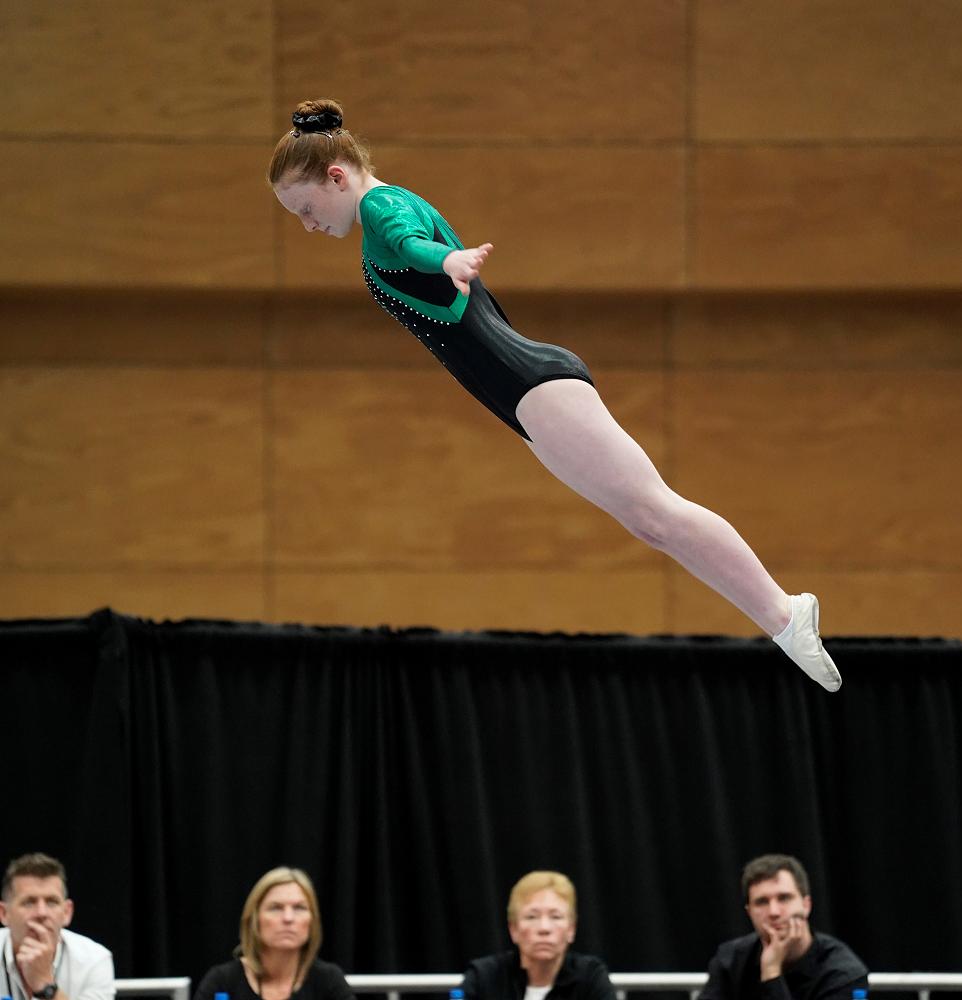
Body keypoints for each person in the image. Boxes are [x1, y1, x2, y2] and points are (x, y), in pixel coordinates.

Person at [268, 99, 842, 693]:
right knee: (648, 522)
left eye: (306, 209)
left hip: (534, 385)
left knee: (656, 510)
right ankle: (780, 619)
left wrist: (446, 259)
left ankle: (784, 613)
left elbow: (409, 243)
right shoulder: (385, 203)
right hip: (528, 399)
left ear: (336, 177)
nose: (307, 226)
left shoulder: (381, 206)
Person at [700, 854, 867, 1000]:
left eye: (784, 898)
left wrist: (771, 972)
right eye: (762, 902)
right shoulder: (731, 960)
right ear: (749, 912)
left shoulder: (843, 973)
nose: (774, 912)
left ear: (806, 905)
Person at [193, 867, 352, 1000]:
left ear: (312, 921)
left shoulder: (328, 981)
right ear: (255, 919)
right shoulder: (222, 982)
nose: (288, 918)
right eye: (275, 907)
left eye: (299, 908)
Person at [460, 870, 615, 1000]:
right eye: (531, 917)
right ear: (513, 929)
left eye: (556, 917)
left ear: (571, 929)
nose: (544, 928)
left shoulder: (590, 976)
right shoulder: (484, 975)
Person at [0, 853, 114, 1000]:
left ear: (67, 912)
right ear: (4, 913)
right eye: (29, 902)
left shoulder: (94, 960)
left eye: (51, 902)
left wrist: (46, 986)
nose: (41, 913)